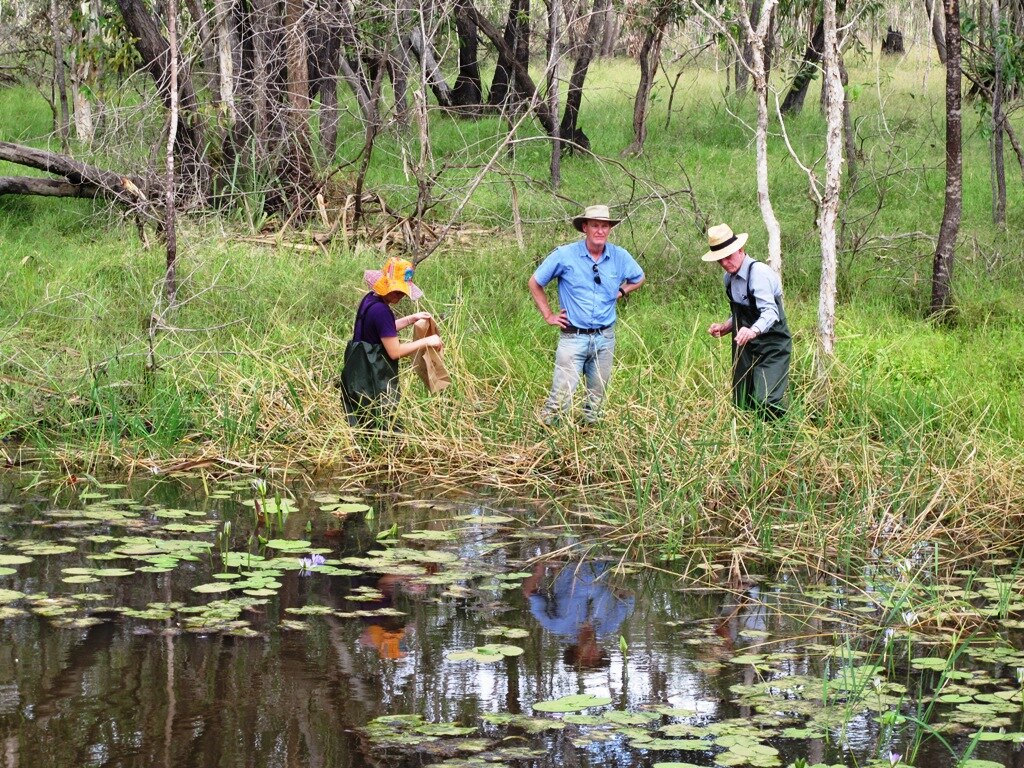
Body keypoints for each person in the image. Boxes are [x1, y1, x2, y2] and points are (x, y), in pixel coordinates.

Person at [528, 204, 645, 425]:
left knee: (597, 401)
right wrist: (549, 315)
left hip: (605, 338)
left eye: (604, 226)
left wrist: (622, 291)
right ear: (585, 228)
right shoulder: (564, 255)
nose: (600, 231)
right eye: (595, 226)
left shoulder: (620, 256)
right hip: (573, 337)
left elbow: (639, 277)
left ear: (609, 229)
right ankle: (550, 445)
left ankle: (590, 442)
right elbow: (535, 282)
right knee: (560, 400)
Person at [340, 256, 443, 426]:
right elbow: (395, 352)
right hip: (373, 375)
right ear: (385, 285)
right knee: (383, 422)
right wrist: (428, 341)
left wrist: (411, 318)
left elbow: (381, 330)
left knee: (361, 419)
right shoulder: (382, 311)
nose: (401, 295)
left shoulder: (370, 299)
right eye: (397, 291)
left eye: (403, 292)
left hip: (356, 370)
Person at [703, 223, 791, 417]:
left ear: (740, 250)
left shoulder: (758, 273)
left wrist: (753, 330)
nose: (725, 263)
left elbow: (770, 312)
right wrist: (725, 326)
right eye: (720, 260)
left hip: (772, 343)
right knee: (742, 399)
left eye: (728, 256)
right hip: (744, 346)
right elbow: (740, 313)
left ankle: (784, 435)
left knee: (766, 399)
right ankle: (749, 439)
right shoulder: (729, 278)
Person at [523, 560, 635, 669]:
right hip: (607, 560)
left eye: (585, 658)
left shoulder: (556, 625)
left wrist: (539, 573)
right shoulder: (610, 624)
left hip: (570, 558)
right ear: (601, 652)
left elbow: (530, 593)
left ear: (574, 652)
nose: (591, 654)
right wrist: (621, 580)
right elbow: (629, 598)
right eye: (595, 658)